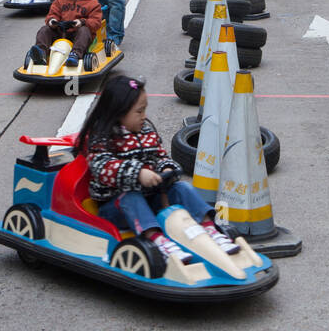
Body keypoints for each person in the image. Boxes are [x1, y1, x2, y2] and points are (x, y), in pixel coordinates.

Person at [79, 74, 238, 265]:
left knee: (182, 188)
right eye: (139, 111)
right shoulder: (101, 136)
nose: (144, 116)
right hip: (116, 207)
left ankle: (209, 228)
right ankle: (156, 240)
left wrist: (167, 168)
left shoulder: (146, 130)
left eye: (144, 110)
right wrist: (138, 173)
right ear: (118, 112)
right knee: (131, 197)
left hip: (151, 199)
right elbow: (102, 166)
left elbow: (159, 155)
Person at [32, 0, 104, 69]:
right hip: (61, 34)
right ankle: (41, 53)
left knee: (84, 31)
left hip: (79, 37)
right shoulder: (60, 1)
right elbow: (52, 14)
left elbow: (96, 22)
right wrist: (52, 21)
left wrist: (82, 22)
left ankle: (75, 55)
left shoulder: (93, 3)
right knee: (45, 29)